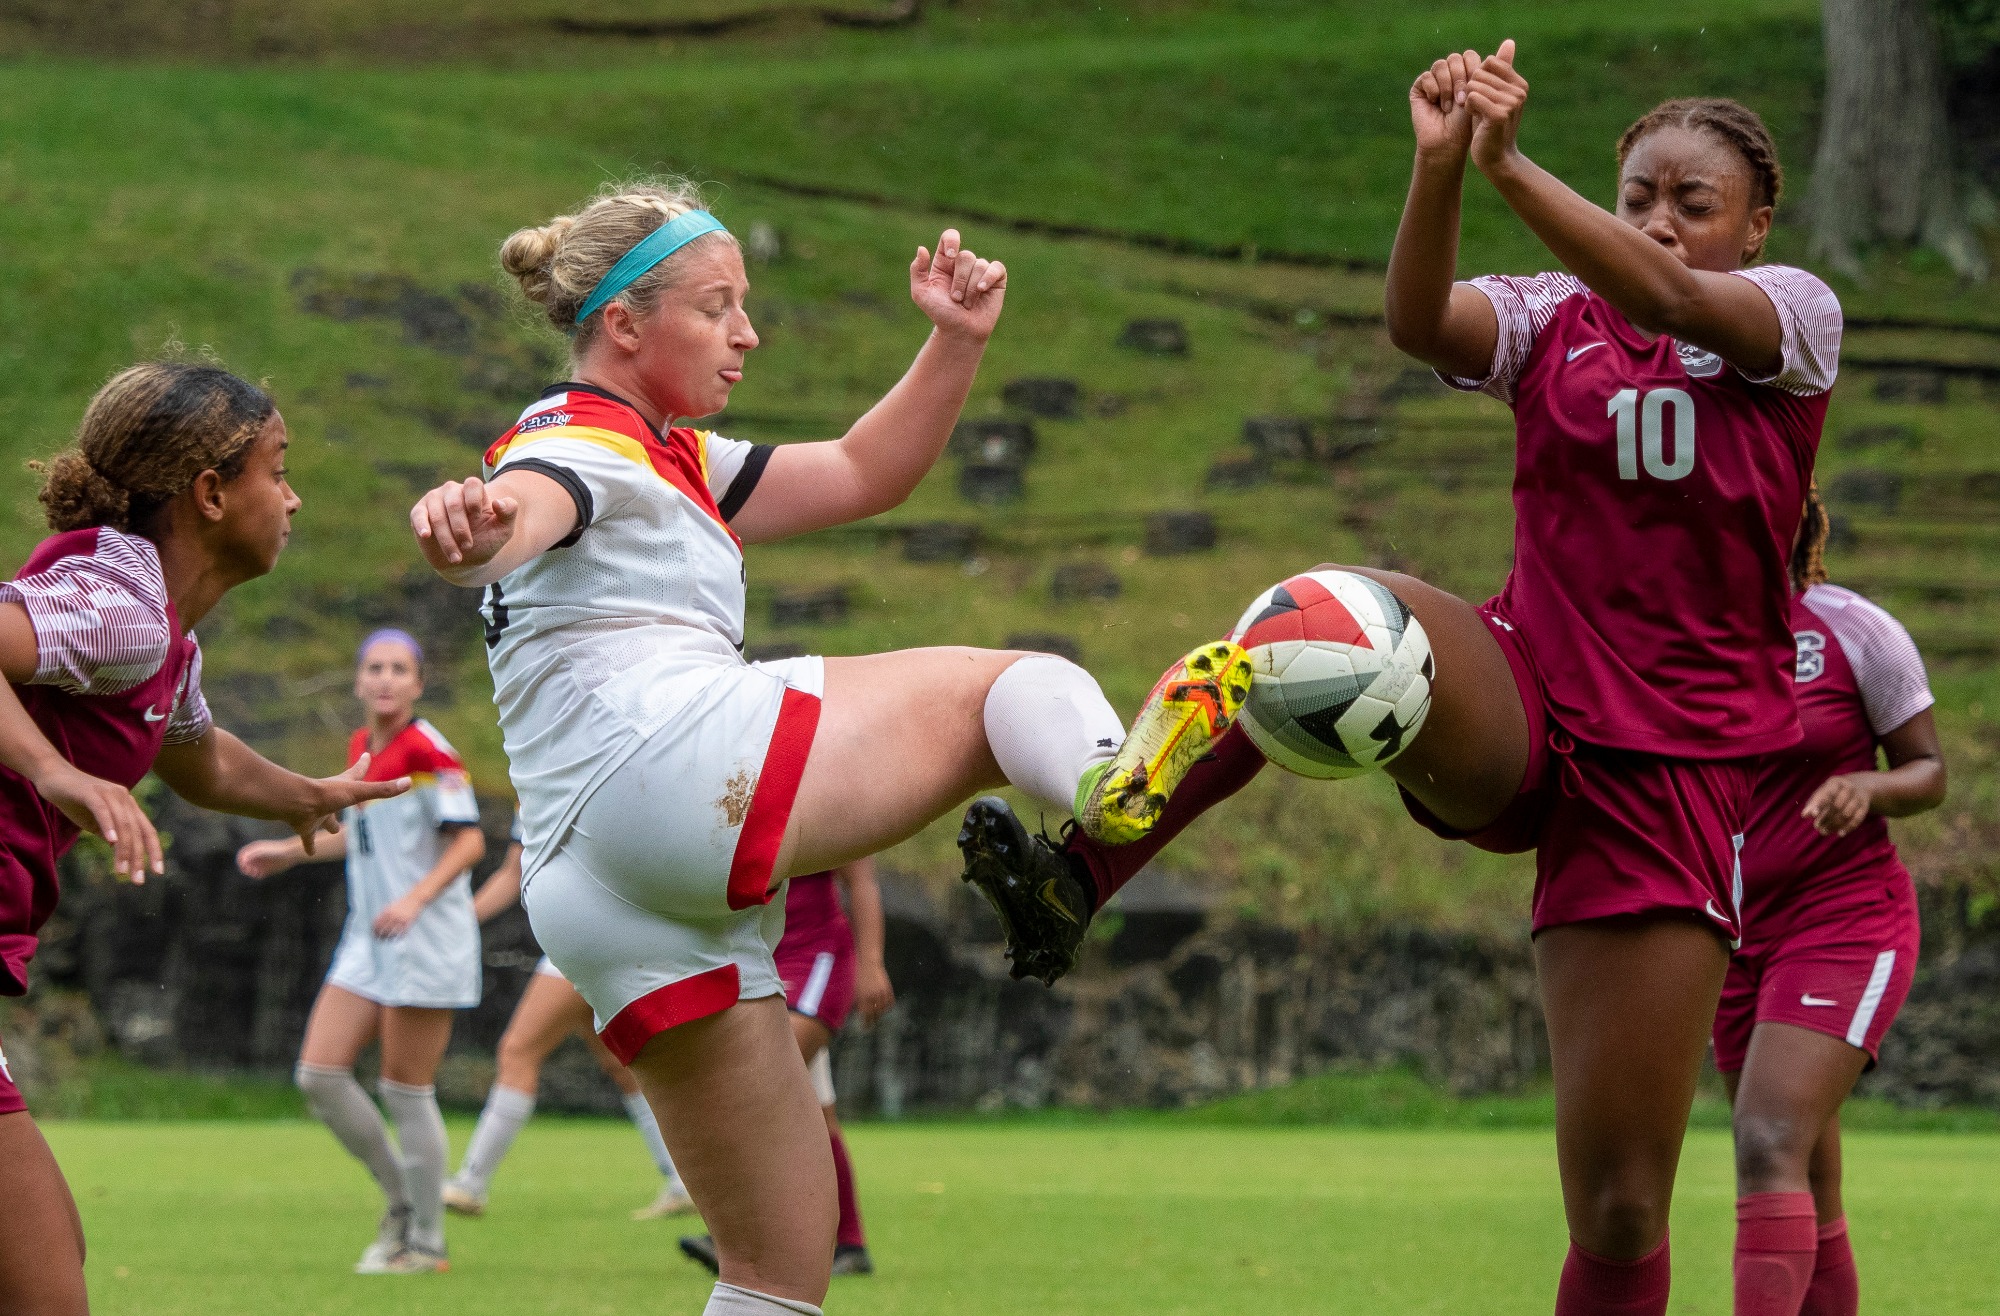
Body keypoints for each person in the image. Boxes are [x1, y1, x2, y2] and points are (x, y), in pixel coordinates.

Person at [958, 46, 1843, 1316]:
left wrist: (1510, 164)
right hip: (1525, 696)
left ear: (1754, 222)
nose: (1655, 217)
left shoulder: (1792, 317)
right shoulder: (1553, 319)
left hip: (1673, 775)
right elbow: (1419, 321)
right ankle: (1080, 869)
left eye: (1688, 201)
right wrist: (1438, 170)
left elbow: (1677, 301)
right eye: (1637, 190)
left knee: (1615, 1207)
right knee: (1312, 619)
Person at [407, 179, 1226, 1315]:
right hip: (667, 764)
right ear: (624, 324)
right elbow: (525, 508)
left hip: (592, 881)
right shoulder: (578, 441)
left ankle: (1093, 820)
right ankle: (1105, 802)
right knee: (1014, 686)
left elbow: (859, 471)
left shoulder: (670, 454)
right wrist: (473, 527)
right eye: (717, 305)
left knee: (777, 1270)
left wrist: (954, 341)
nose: (748, 332)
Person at [0, 361, 409, 1315]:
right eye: (279, 469)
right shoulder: (126, 613)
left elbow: (199, 759)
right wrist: (51, 769)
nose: (295, 497)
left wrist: (303, 795)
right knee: (44, 1283)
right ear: (212, 493)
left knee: (46, 1253)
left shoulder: (162, 641)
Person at [1713, 486, 1943, 1316]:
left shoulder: (1855, 628)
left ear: (1790, 518)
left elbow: (1929, 771)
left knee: (1767, 1139)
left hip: (1845, 917)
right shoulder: (1684, 639)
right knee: (1807, 1173)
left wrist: (1867, 786)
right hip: (1734, 937)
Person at [236, 629, 487, 1274]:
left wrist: (414, 901)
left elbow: (468, 844)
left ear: (418, 684)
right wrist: (290, 852)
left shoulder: (428, 751)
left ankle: (426, 1243)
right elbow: (363, 839)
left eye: (399, 669)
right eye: (374, 667)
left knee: (405, 1088)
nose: (385, 679)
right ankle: (404, 1195)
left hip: (426, 939)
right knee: (319, 1074)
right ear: (357, 681)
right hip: (369, 939)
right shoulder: (360, 749)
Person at [443, 809, 696, 1220]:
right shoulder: (530, 782)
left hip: (594, 940)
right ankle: (684, 1180)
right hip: (584, 942)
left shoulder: (588, 766)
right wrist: (460, 921)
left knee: (518, 1050)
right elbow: (512, 872)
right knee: (620, 1062)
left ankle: (470, 1183)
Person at [679, 855, 897, 1278]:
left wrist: (871, 963)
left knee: (754, 1089)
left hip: (815, 960)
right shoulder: (731, 790)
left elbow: (862, 880)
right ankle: (850, 1246)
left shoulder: (825, 788)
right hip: (758, 964)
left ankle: (741, 1236)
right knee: (817, 1113)